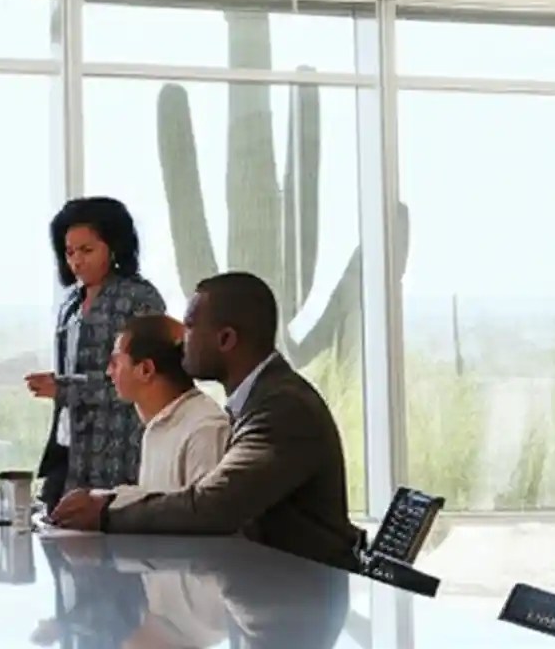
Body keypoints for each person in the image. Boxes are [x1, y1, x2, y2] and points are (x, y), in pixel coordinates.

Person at [51, 272, 364, 573]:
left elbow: (213, 506)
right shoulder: (260, 400)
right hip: (276, 596)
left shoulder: (282, 408)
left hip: (303, 604)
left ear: (226, 339)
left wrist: (106, 515)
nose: (180, 343)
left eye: (189, 328)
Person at [25, 197, 166, 512]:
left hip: (117, 451)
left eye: (87, 250)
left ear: (114, 247)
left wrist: (65, 387)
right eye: (69, 252)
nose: (76, 261)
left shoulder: (140, 299)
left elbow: (143, 382)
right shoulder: (69, 303)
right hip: (67, 447)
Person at [103, 313, 228, 506]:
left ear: (145, 369)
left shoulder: (205, 429)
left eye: (115, 363)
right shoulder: (158, 425)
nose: (108, 372)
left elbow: (206, 516)